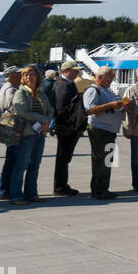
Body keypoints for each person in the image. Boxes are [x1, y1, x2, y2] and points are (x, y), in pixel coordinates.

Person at [9, 65, 53, 205]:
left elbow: (50, 109)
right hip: (26, 133)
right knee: (21, 165)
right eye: (26, 75)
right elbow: (22, 112)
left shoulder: (40, 93)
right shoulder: (21, 93)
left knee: (35, 165)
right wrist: (43, 119)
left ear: (37, 77)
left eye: (32, 74)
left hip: (39, 133)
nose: (29, 77)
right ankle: (15, 196)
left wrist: (47, 120)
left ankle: (31, 193)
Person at [84, 67, 128, 200]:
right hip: (99, 130)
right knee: (100, 160)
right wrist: (111, 105)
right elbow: (90, 109)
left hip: (109, 130)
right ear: (100, 77)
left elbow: (111, 106)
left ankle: (104, 188)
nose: (111, 81)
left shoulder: (105, 90)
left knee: (108, 160)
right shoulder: (93, 90)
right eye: (109, 78)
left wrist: (122, 106)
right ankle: (98, 190)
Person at [50, 61, 85, 196]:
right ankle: (60, 187)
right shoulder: (62, 85)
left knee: (65, 157)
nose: (77, 72)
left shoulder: (67, 83)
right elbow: (61, 108)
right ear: (65, 71)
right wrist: (71, 123)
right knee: (63, 157)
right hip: (66, 126)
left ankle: (62, 185)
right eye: (74, 70)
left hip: (68, 126)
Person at [0, 66, 23, 201]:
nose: (21, 76)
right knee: (12, 159)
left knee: (11, 159)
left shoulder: (7, 87)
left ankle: (5, 189)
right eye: (18, 74)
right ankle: (4, 190)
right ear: (11, 76)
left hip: (8, 126)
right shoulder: (10, 89)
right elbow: (14, 109)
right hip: (12, 127)